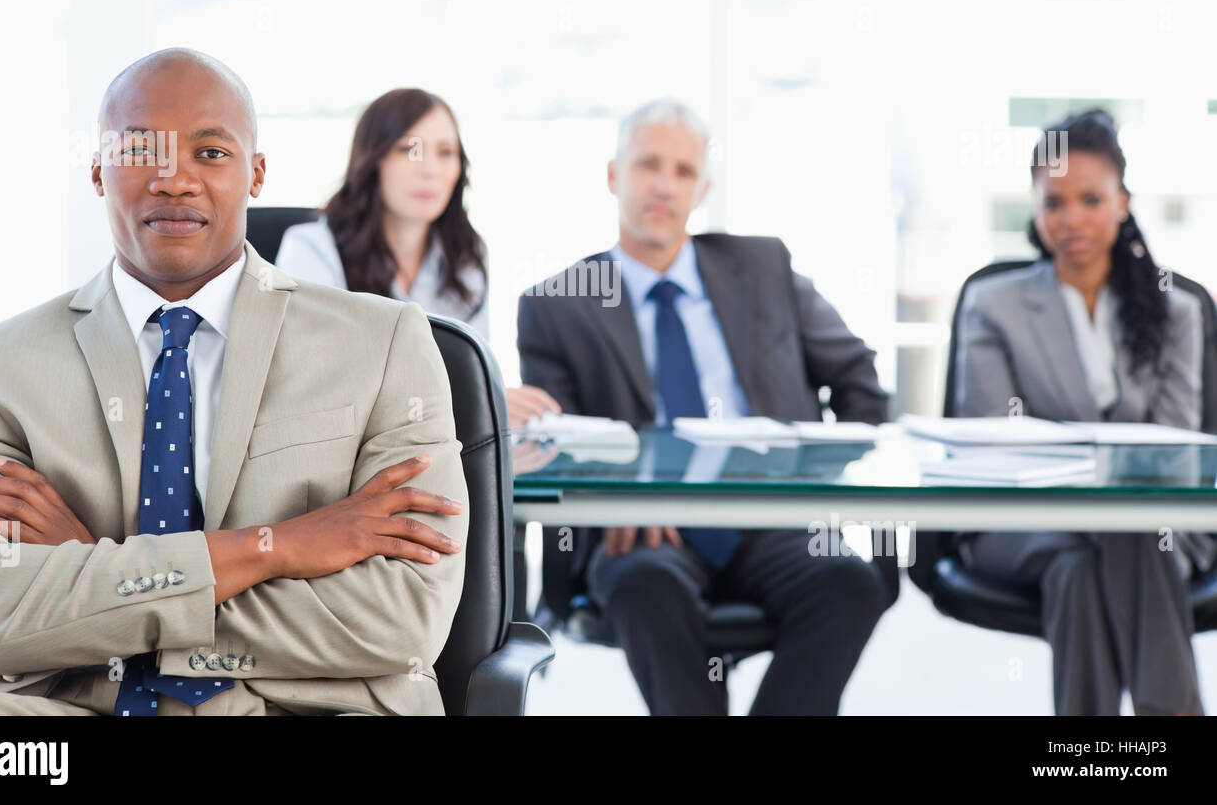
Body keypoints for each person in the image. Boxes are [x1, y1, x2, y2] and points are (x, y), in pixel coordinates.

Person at [0, 48, 467, 716]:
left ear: (256, 173)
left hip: (306, 705)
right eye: (141, 151)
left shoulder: (384, 343)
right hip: (75, 703)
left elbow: (403, 617)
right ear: (97, 170)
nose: (173, 180)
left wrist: (99, 574)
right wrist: (277, 548)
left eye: (210, 153)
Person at [516, 99, 892, 715]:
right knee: (644, 585)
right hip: (644, 532)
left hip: (773, 518)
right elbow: (554, 440)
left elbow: (857, 380)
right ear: (614, 175)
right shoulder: (557, 305)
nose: (664, 185)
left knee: (849, 581)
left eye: (683, 172)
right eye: (648, 166)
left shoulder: (763, 266)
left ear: (703, 189)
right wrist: (620, 496)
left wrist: (824, 482)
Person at [953, 108, 1208, 716]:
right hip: (1026, 522)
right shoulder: (993, 305)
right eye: (1054, 202)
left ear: (1123, 203)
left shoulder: (1177, 310)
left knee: (1098, 558)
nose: (1071, 220)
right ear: (1035, 211)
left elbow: (1174, 447)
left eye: (1090, 199)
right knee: (1100, 548)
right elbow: (998, 441)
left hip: (1159, 521)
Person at [275, 87, 558, 427]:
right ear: (373, 160)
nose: (431, 170)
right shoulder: (311, 249)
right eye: (410, 150)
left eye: (446, 152)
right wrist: (479, 398)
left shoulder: (467, 256)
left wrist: (493, 399)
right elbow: (317, 385)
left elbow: (472, 364)